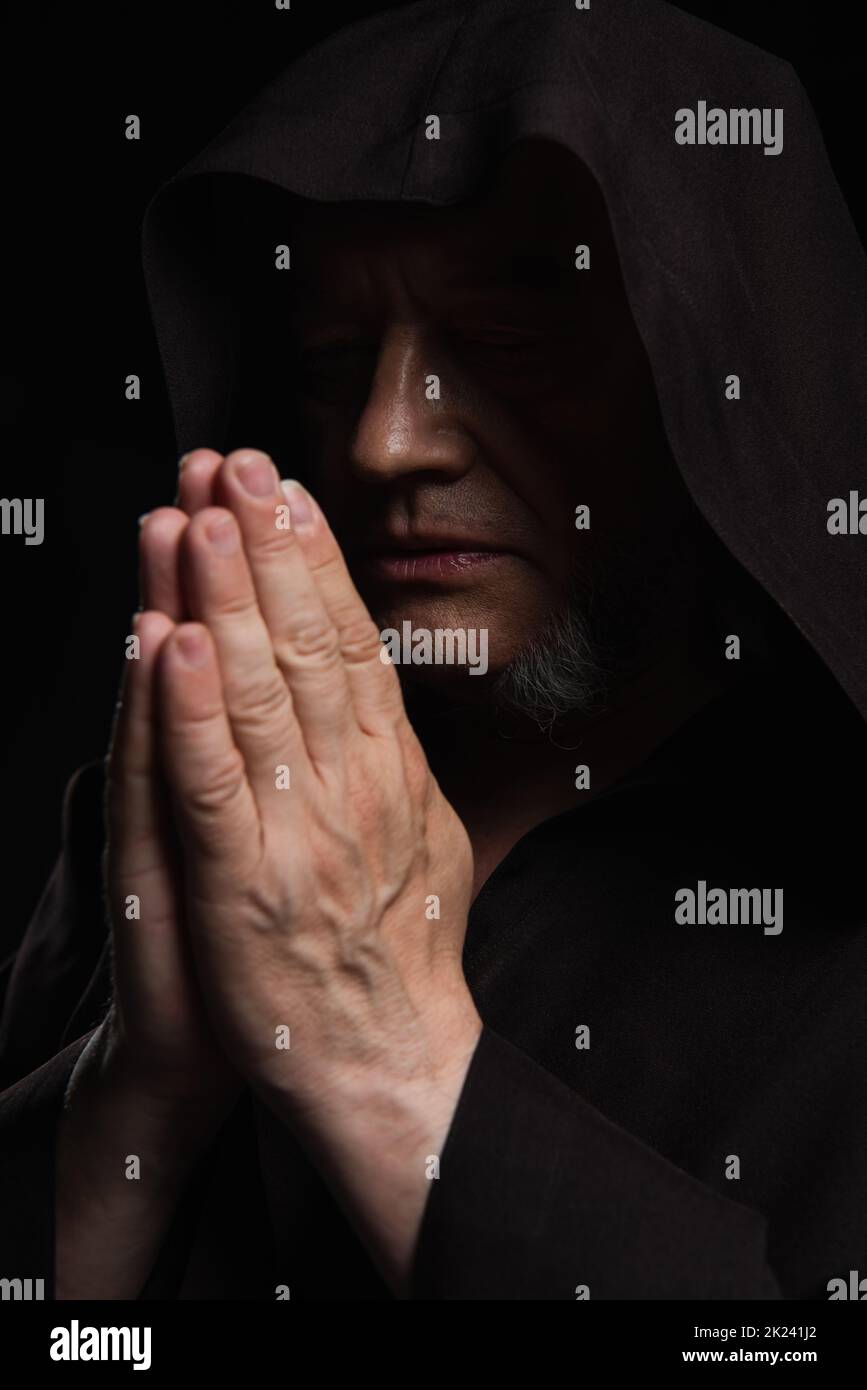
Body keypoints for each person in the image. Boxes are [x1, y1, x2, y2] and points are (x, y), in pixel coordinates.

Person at [2, 0, 866, 1301]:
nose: (386, 445)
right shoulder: (166, 816)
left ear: (708, 388)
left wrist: (389, 1053)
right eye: (338, 358)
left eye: (508, 349)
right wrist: (133, 1098)